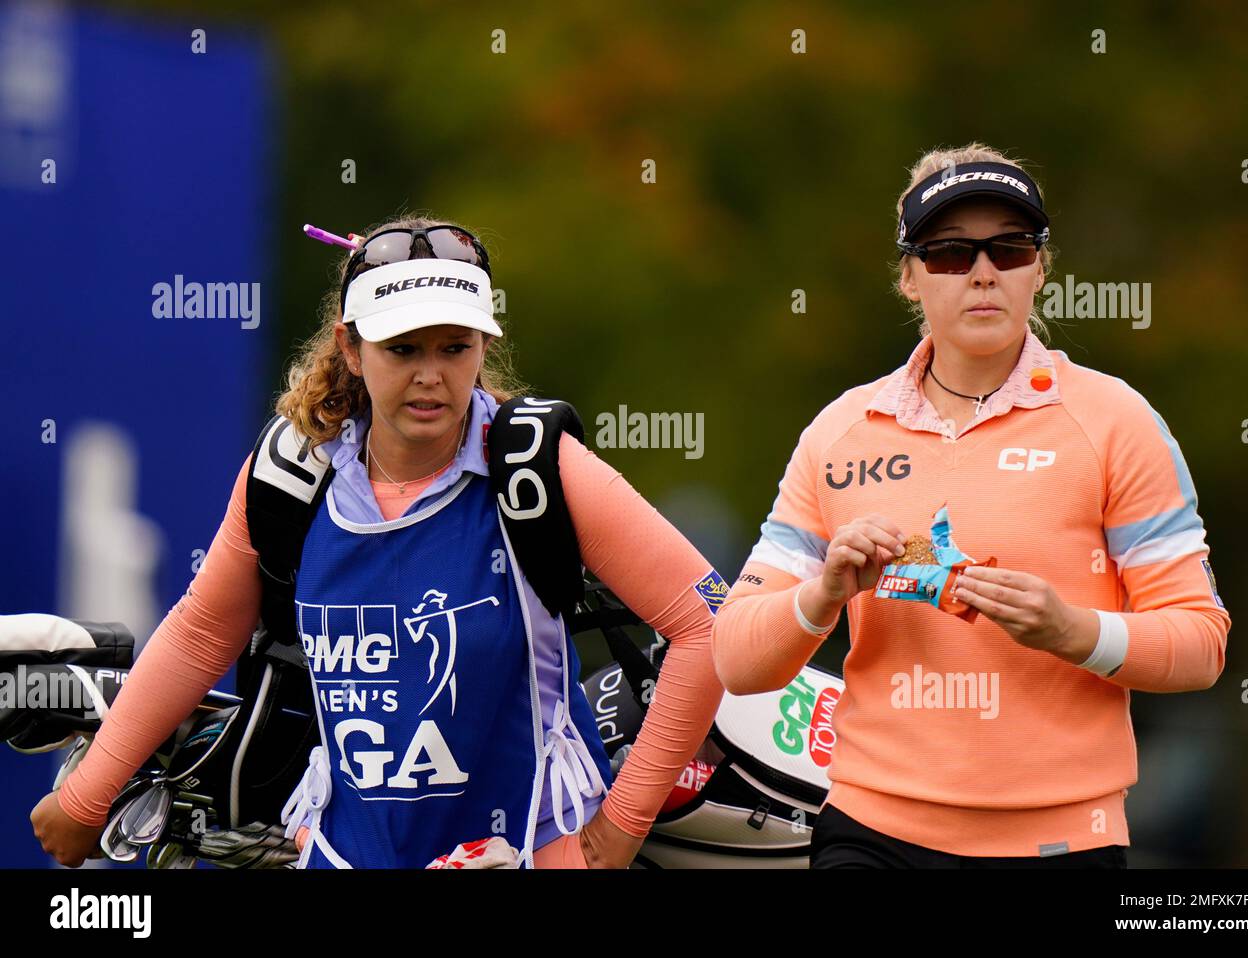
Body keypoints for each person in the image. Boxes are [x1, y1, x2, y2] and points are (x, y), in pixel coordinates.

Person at [31, 215, 726, 869]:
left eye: (455, 347)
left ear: (484, 345)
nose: (431, 375)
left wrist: (613, 837)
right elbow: (201, 633)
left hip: (525, 845)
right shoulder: (293, 474)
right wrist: (90, 793)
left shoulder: (536, 469)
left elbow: (706, 623)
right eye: (403, 348)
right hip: (342, 851)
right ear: (351, 348)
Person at [712, 143, 1230, 868]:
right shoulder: (839, 431)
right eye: (951, 254)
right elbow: (736, 660)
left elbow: (1201, 645)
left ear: (1040, 269)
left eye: (1010, 249)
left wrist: (1073, 630)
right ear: (910, 276)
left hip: (1061, 840)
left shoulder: (1117, 421)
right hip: (872, 833)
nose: (983, 273)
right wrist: (822, 593)